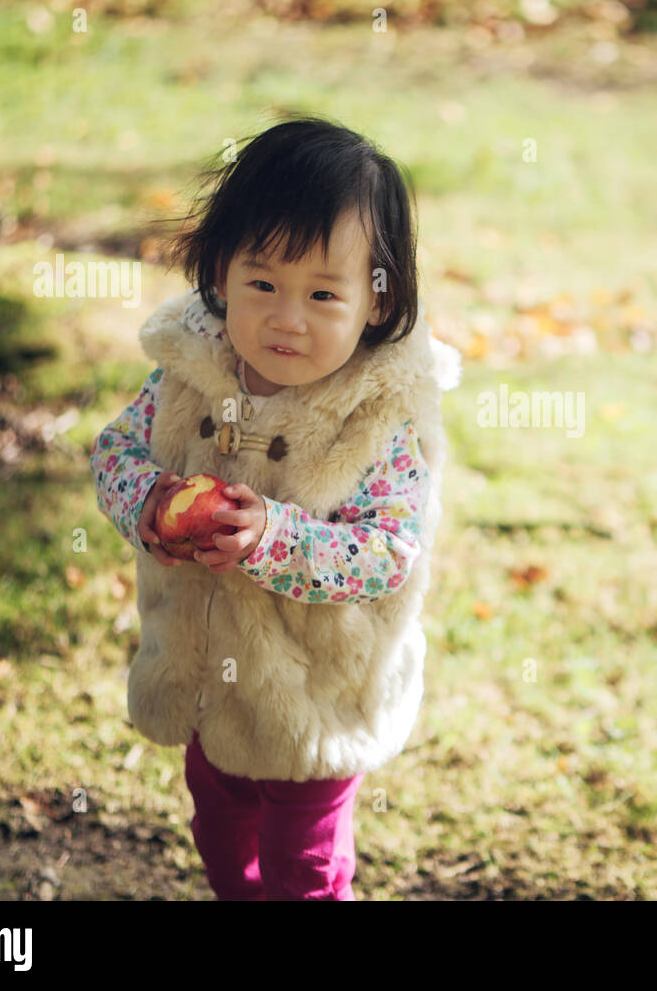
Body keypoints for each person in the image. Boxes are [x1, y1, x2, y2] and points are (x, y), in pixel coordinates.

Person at [89, 115, 460, 900]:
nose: (288, 318)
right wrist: (148, 501)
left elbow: (389, 552)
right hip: (206, 682)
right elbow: (114, 451)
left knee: (305, 866)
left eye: (324, 293)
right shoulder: (190, 374)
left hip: (315, 697)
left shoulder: (376, 414)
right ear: (220, 273)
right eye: (263, 284)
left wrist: (272, 538)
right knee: (221, 837)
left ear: (377, 300)